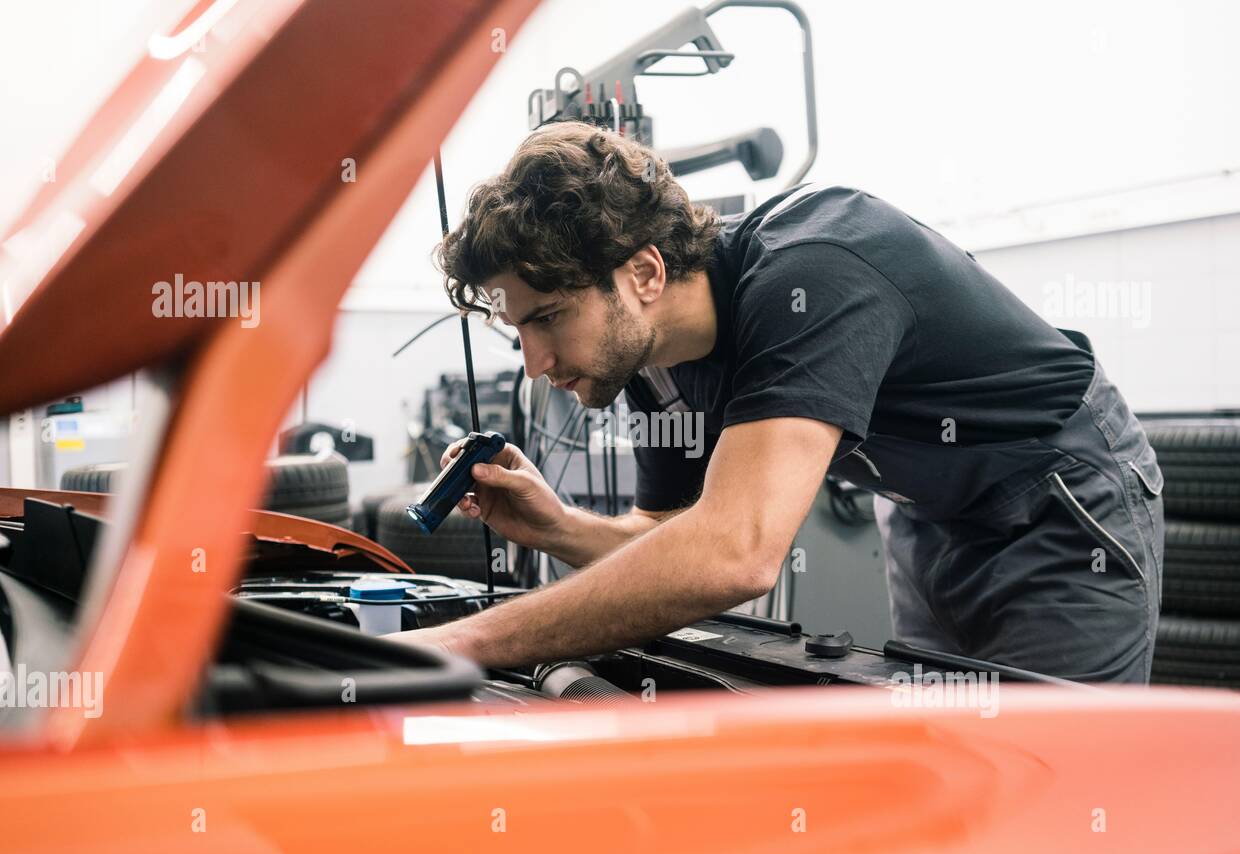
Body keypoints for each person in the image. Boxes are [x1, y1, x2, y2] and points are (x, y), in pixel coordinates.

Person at [389, 120, 1164, 682]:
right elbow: (669, 542)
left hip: (1060, 498)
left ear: (646, 274)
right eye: (520, 329)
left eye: (550, 317)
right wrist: (557, 526)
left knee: (1055, 783)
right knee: (956, 768)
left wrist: (467, 640)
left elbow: (735, 552)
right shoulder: (656, 365)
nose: (535, 362)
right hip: (932, 521)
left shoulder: (811, 272)